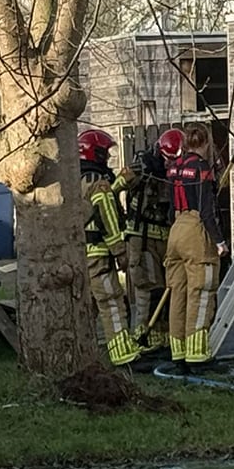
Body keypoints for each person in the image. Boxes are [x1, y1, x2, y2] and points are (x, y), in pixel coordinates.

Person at [114, 128, 184, 359]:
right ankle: (143, 336)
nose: (169, 164)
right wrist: (120, 220)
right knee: (147, 287)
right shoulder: (141, 166)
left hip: (166, 237)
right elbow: (114, 189)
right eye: (167, 159)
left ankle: (162, 335)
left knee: (167, 288)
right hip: (141, 238)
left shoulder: (180, 168)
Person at [164, 122, 228, 371]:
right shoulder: (201, 169)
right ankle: (198, 355)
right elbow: (207, 210)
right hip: (195, 230)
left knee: (178, 292)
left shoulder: (174, 168)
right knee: (200, 292)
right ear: (204, 144)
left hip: (176, 229)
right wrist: (220, 241)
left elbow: (171, 206)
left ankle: (178, 352)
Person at [79, 128, 140, 367]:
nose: (108, 158)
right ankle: (123, 354)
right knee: (112, 301)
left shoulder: (76, 180)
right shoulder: (97, 183)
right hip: (98, 254)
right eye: (105, 153)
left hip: (80, 253)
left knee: (88, 306)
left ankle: (84, 352)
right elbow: (107, 216)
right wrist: (120, 251)